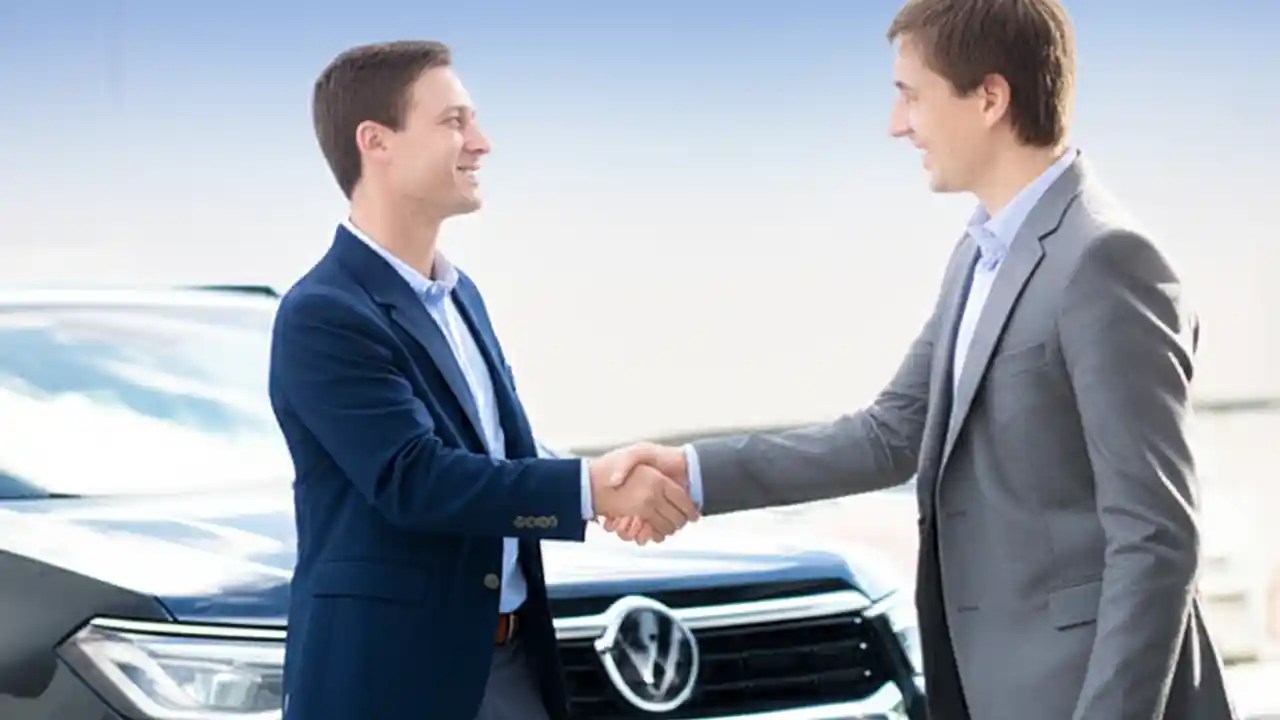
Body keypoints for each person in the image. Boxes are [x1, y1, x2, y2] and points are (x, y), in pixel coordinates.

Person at [601, 1, 1237, 718]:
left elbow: (1156, 536)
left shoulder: (1106, 261)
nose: (897, 124)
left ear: (990, 98)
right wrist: (691, 473)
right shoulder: (980, 253)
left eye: (911, 95)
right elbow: (889, 435)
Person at [267, 41, 698, 720]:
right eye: (454, 122)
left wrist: (606, 487)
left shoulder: (461, 297)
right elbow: (417, 480)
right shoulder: (323, 313)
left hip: (511, 662)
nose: (481, 142)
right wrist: (589, 490)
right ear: (376, 142)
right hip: (391, 682)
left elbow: (500, 457)